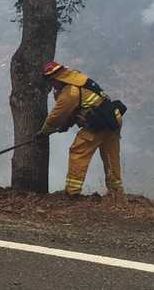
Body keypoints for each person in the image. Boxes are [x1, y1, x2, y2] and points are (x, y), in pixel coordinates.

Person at [36, 61, 125, 199]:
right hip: (113, 120)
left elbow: (56, 116)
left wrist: (45, 131)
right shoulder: (78, 80)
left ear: (56, 78)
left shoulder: (69, 93)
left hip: (97, 125)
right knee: (110, 156)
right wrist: (66, 125)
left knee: (78, 151)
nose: (51, 85)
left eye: (51, 81)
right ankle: (116, 193)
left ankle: (72, 192)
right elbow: (78, 109)